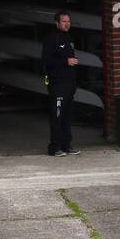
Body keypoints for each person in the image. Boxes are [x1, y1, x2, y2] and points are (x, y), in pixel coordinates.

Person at [42, 10, 80, 157]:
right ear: (57, 23)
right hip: (57, 83)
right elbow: (46, 60)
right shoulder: (52, 38)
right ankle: (55, 147)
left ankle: (66, 145)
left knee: (67, 115)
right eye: (64, 21)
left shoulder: (69, 38)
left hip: (69, 84)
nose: (67, 24)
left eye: (68, 21)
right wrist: (65, 61)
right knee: (57, 115)